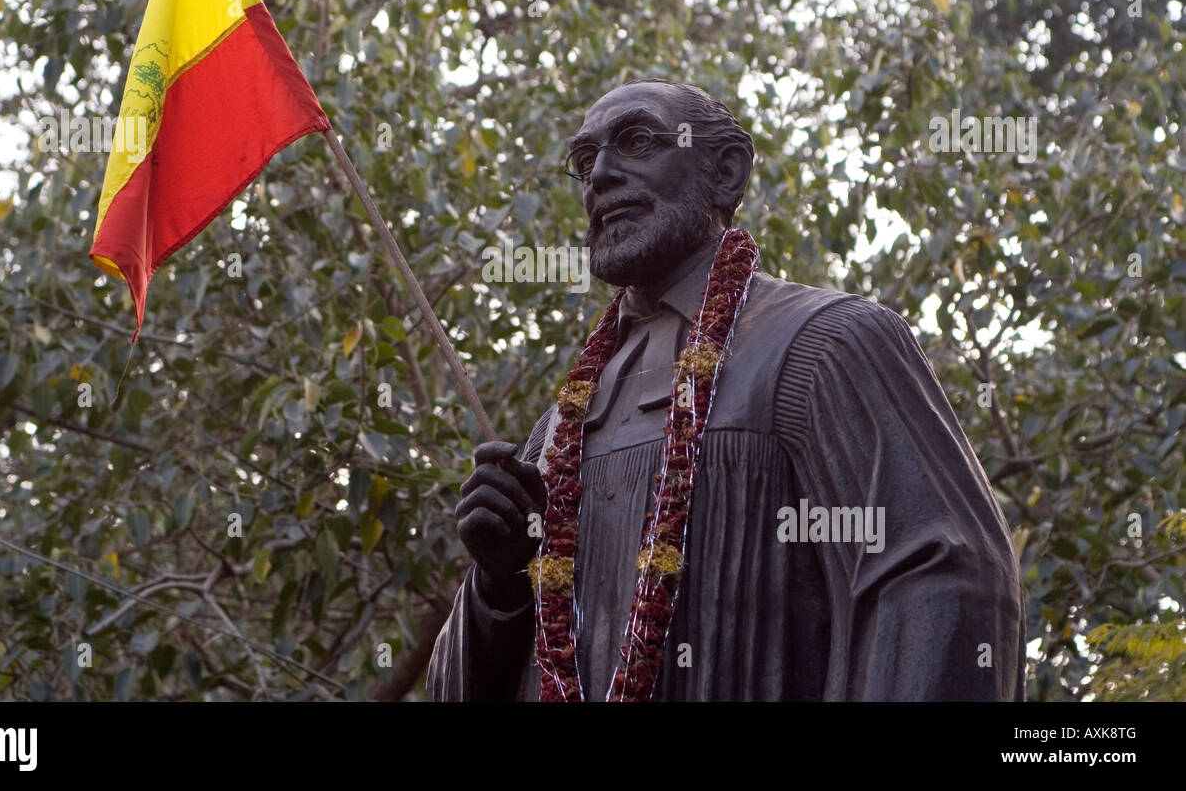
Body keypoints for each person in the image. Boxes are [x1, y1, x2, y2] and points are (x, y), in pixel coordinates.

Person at [427, 78, 1025, 701]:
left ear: (726, 172)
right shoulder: (558, 432)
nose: (600, 174)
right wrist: (500, 586)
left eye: (635, 141)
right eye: (585, 161)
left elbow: (942, 579)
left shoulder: (824, 344)